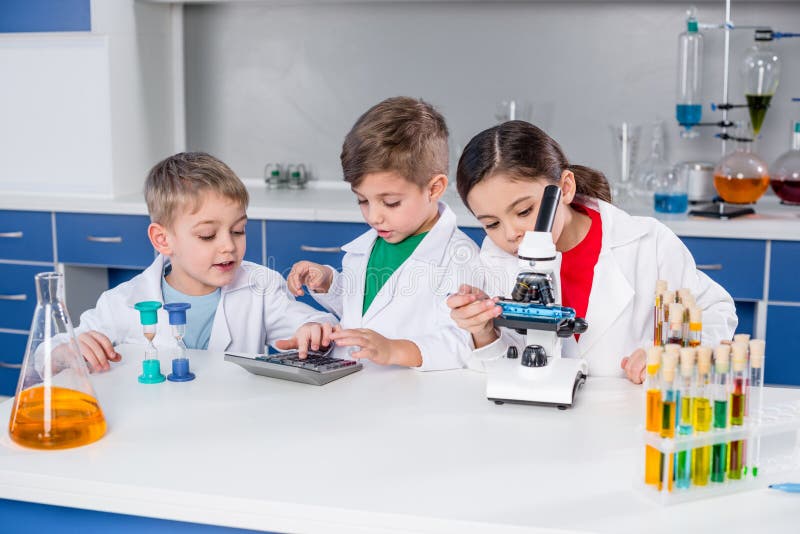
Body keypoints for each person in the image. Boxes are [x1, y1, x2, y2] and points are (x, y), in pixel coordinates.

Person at [446, 120, 737, 383]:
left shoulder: (647, 243)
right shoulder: (493, 259)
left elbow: (716, 312)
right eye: (492, 223)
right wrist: (483, 332)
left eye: (524, 211)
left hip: (627, 424)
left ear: (566, 187)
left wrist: (670, 352)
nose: (511, 234)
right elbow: (500, 374)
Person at [74, 152, 337, 372]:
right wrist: (66, 352)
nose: (229, 246)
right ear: (163, 240)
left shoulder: (262, 287)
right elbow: (54, 350)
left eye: (238, 230)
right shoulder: (122, 302)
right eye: (207, 235)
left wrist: (315, 333)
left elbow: (317, 326)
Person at [287, 96, 481, 370]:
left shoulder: (461, 257)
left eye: (390, 202)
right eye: (362, 201)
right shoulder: (371, 246)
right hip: (355, 390)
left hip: (410, 400)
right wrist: (330, 283)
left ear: (434, 188)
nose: (373, 216)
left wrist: (394, 350)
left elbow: (463, 342)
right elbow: (367, 314)